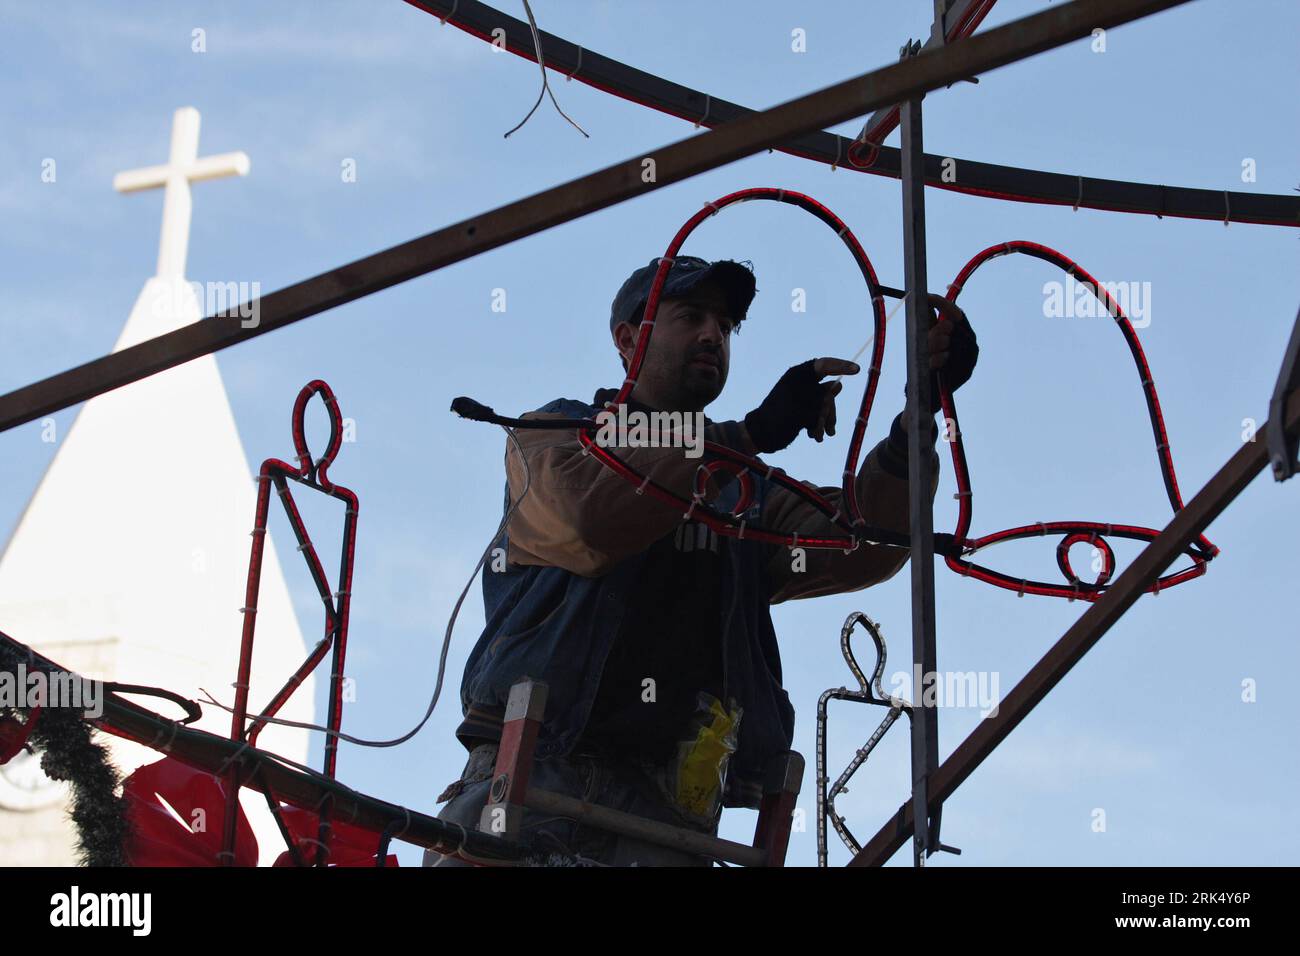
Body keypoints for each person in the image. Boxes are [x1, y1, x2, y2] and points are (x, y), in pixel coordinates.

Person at [425, 255, 978, 866]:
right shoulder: (555, 437)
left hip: (670, 813)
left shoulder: (741, 487)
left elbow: (867, 544)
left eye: (726, 324)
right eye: (690, 315)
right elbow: (591, 522)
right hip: (532, 784)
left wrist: (917, 418)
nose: (713, 334)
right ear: (630, 339)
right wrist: (743, 438)